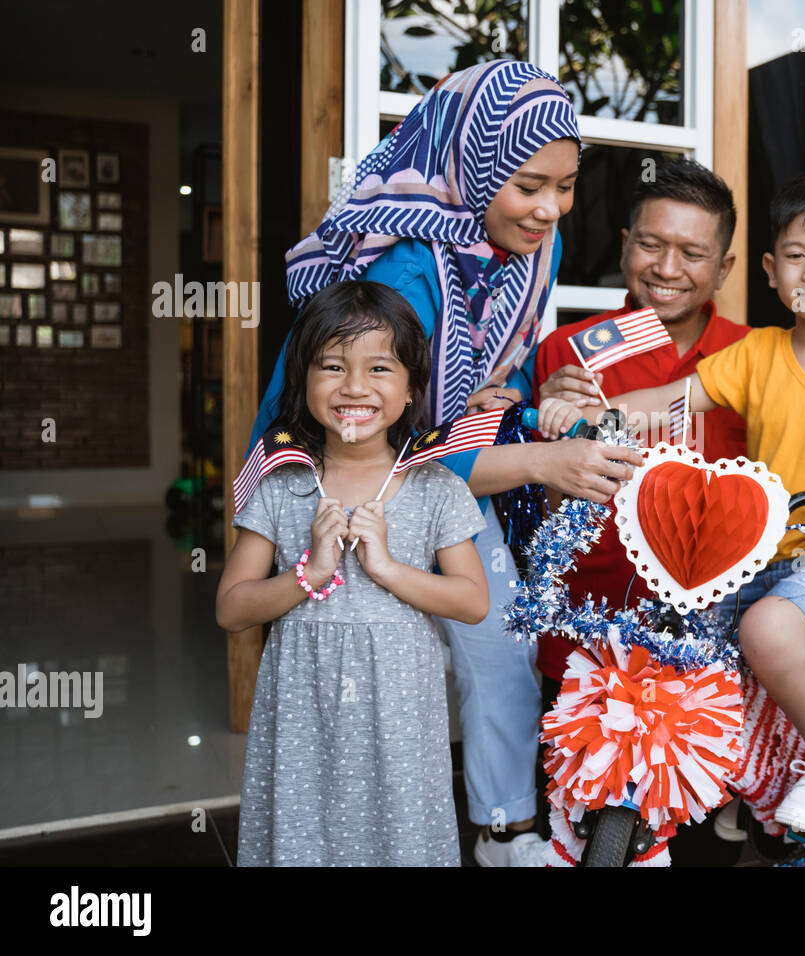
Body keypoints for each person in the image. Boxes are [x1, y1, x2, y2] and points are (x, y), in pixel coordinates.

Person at [244, 60, 643, 866]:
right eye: (530, 184)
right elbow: (397, 450)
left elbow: (483, 386)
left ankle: (501, 833)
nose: (549, 208)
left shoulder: (526, 248)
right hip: (343, 479)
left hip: (444, 472)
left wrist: (540, 390)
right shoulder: (409, 274)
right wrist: (542, 462)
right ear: (477, 165)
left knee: (497, 645)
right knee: (356, 680)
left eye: (565, 186)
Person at [563, 169, 805, 837]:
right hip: (753, 559)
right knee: (671, 632)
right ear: (771, 270)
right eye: (797, 256)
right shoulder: (758, 354)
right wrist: (595, 415)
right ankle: (721, 777)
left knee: (768, 631)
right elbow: (673, 403)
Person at [216, 281, 490, 865]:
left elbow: (472, 601)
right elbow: (231, 609)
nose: (355, 387)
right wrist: (310, 572)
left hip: (399, 714)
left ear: (413, 384)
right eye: (333, 366)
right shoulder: (281, 484)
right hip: (301, 709)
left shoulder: (436, 487)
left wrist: (386, 567)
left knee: (399, 829)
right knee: (302, 824)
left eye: (380, 368)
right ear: (304, 379)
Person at [530, 159, 749, 699]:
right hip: (588, 632)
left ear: (724, 268)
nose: (668, 268)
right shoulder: (568, 354)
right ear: (626, 245)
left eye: (693, 253)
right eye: (651, 245)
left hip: (718, 636)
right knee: (580, 783)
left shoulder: (755, 358)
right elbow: (538, 508)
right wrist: (557, 428)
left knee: (708, 784)